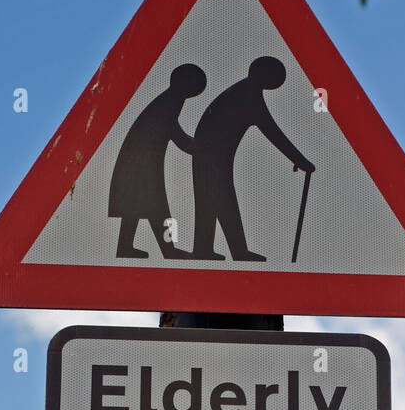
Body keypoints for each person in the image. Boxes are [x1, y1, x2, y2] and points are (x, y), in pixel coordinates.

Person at [190, 56, 314, 261]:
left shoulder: (243, 91)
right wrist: (301, 161)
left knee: (212, 201)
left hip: (211, 155)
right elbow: (272, 131)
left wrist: (300, 160)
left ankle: (208, 249)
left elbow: (270, 130)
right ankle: (233, 251)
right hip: (211, 156)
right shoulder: (248, 96)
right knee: (220, 201)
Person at [108, 63, 207, 258]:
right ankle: (167, 250)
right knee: (154, 207)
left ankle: (129, 247)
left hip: (139, 162)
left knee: (137, 207)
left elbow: (171, 130)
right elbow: (174, 132)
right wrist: (200, 147)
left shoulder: (168, 99)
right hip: (141, 164)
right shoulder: (170, 102)